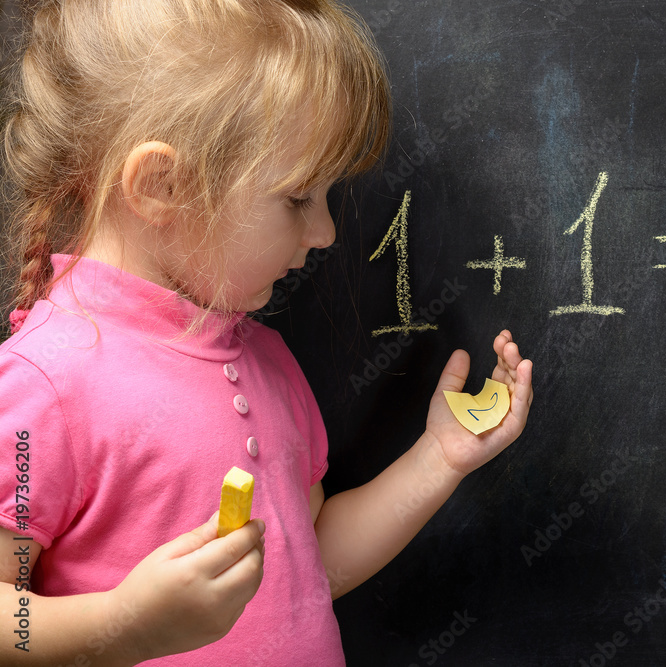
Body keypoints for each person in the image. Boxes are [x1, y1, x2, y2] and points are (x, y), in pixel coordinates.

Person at [0, 1, 533, 664]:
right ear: (163, 185)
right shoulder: (47, 381)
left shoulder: (266, 359)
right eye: (299, 197)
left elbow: (307, 569)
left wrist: (440, 457)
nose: (327, 233)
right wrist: (124, 623)